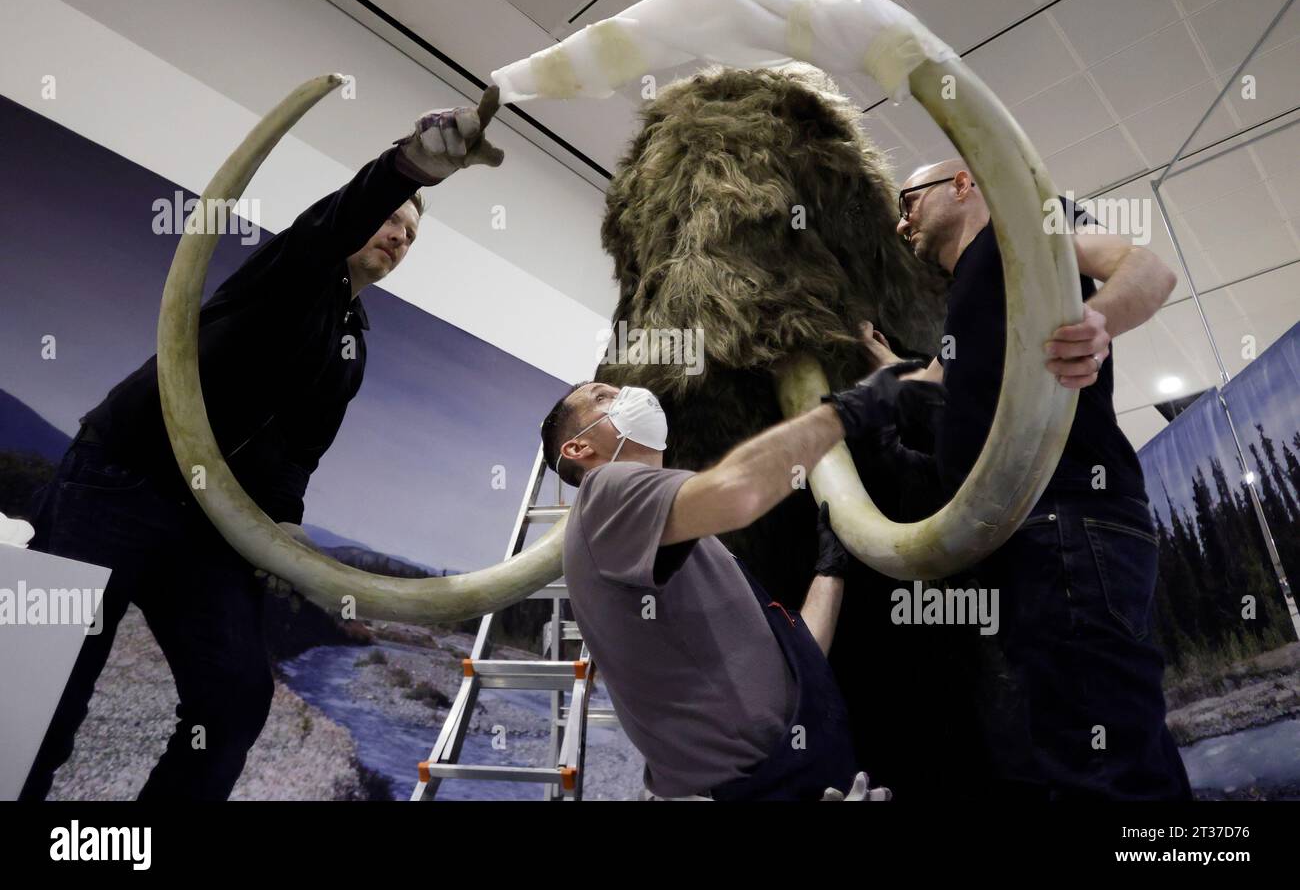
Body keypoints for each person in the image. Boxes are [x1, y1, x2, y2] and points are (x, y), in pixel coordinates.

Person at [19, 90, 504, 801]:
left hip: (215, 528)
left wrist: (284, 520)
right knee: (45, 682)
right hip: (120, 480)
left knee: (236, 697)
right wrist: (408, 170)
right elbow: (333, 219)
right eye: (390, 220)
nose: (398, 236)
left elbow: (298, 453)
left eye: (410, 235)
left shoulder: (353, 349)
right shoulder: (296, 269)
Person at [867, 158, 1191, 800]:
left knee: (1101, 759)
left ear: (961, 183)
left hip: (1067, 520)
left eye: (908, 200)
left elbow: (1149, 270)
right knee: (1087, 744)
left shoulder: (1022, 230)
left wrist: (1099, 322)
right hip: (1031, 538)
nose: (902, 221)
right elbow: (938, 379)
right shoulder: (971, 293)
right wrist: (874, 365)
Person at [539, 380, 900, 801]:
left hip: (805, 769)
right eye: (603, 398)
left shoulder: (687, 542)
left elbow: (798, 657)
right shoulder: (604, 491)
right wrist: (845, 411)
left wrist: (829, 570)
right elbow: (737, 492)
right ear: (578, 449)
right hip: (758, 786)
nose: (627, 396)